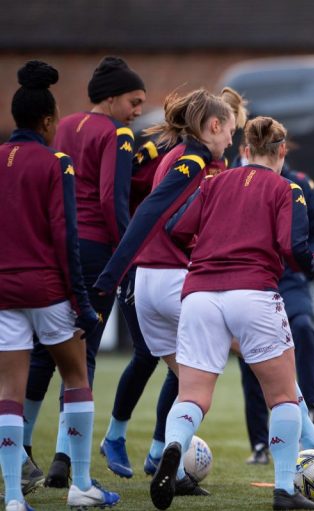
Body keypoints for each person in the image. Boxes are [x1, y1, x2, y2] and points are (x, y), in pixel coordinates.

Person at [151, 116, 314, 511]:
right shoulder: (288, 188)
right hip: (253, 292)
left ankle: (175, 446)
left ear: (244, 149)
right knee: (283, 397)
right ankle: (285, 491)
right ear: (282, 151)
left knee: (192, 395)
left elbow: (176, 228)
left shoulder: (213, 183)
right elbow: (293, 248)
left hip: (198, 294)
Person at [94, 87, 244, 497]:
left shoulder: (188, 156)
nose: (232, 139)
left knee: (183, 377)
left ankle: (163, 457)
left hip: (149, 283)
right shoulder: (192, 159)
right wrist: (110, 275)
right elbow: (154, 214)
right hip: (173, 280)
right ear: (213, 125)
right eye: (230, 130)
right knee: (254, 348)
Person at [20, 56, 146, 488]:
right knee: (82, 354)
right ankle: (63, 459)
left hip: (55, 246)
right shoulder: (116, 133)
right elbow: (113, 198)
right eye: (133, 100)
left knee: (42, 351)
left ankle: (22, 448)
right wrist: (125, 254)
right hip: (96, 251)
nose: (136, 109)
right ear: (111, 99)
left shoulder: (62, 124)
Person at [0, 60, 120, 511]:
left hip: (3, 292)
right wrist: (82, 301)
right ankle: (82, 485)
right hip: (47, 290)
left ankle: (13, 497)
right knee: (75, 377)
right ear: (48, 121)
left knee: (8, 393)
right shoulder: (56, 163)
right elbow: (64, 236)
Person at [238, 157, 314, 466]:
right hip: (251, 278)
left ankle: (311, 402)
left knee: (303, 326)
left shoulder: (299, 183)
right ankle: (259, 443)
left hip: (290, 278)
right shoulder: (234, 180)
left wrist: (312, 258)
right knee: (250, 358)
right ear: (246, 148)